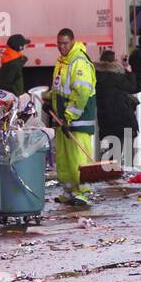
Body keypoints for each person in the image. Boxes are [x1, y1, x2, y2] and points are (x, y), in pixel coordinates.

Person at [49, 28, 97, 204]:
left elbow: (81, 93)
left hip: (77, 119)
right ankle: (70, 190)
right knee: (64, 158)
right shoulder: (63, 62)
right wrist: (49, 99)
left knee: (79, 157)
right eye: (59, 43)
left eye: (65, 43)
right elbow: (59, 88)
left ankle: (84, 192)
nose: (61, 46)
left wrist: (69, 115)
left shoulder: (79, 62)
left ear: (73, 41)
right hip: (63, 119)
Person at [95, 49, 140, 151]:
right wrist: (129, 71)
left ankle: (110, 164)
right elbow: (132, 87)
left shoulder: (96, 76)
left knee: (110, 149)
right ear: (114, 61)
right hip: (121, 117)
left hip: (105, 119)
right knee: (121, 149)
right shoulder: (116, 76)